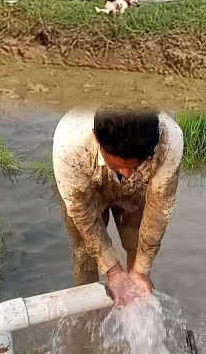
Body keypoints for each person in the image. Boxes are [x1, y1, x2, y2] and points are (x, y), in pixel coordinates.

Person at [53, 108, 183, 306]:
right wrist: (112, 270)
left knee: (137, 243)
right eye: (119, 164)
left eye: (136, 164)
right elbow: (82, 214)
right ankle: (89, 315)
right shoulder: (69, 143)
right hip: (86, 183)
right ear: (97, 138)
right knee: (85, 253)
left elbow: (158, 210)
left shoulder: (169, 140)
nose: (128, 173)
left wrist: (141, 270)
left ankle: (136, 302)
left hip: (141, 185)